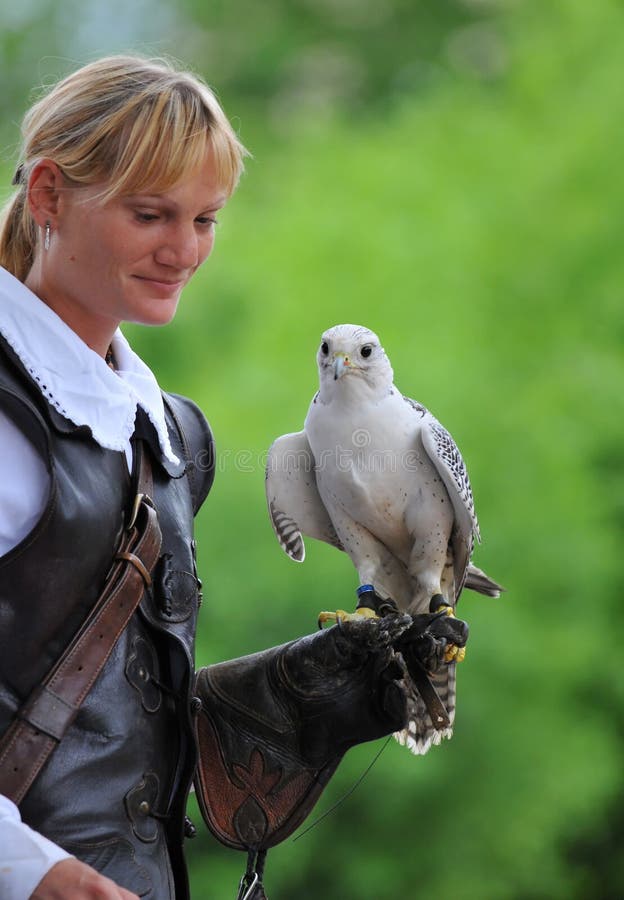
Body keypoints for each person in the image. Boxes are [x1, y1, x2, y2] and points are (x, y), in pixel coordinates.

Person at [0, 55, 467, 900]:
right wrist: (31, 872)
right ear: (47, 197)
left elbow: (91, 695)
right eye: (150, 215)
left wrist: (250, 718)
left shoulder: (170, 433)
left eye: (206, 219)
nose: (183, 250)